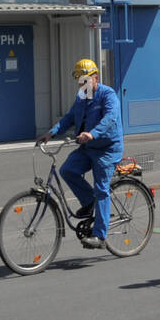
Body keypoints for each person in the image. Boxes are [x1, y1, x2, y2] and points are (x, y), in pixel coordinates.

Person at [37, 58, 123, 249]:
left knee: (101, 188)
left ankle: (100, 235)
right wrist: (52, 132)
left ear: (96, 78)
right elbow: (69, 117)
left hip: (107, 149)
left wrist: (92, 134)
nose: (83, 84)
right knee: (68, 170)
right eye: (79, 81)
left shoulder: (108, 95)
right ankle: (89, 201)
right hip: (87, 147)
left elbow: (110, 118)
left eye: (85, 80)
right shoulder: (82, 97)